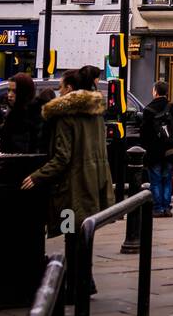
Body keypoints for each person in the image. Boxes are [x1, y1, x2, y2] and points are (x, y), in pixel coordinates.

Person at [21, 69, 114, 300]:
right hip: (92, 184)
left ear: (70, 88)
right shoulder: (95, 113)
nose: (59, 91)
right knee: (82, 236)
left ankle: (74, 285)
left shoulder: (65, 116)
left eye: (62, 86)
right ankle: (85, 280)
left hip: (69, 190)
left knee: (70, 235)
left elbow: (62, 157)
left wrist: (37, 176)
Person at [139, 80, 173, 217]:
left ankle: (158, 208)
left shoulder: (148, 109)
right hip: (170, 150)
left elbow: (144, 133)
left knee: (156, 179)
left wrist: (146, 149)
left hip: (154, 151)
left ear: (155, 92)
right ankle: (167, 207)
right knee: (167, 178)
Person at [0, 72, 42, 154]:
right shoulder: (14, 113)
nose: (9, 95)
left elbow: (21, 148)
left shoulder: (30, 116)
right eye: (9, 90)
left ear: (23, 92)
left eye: (14, 91)